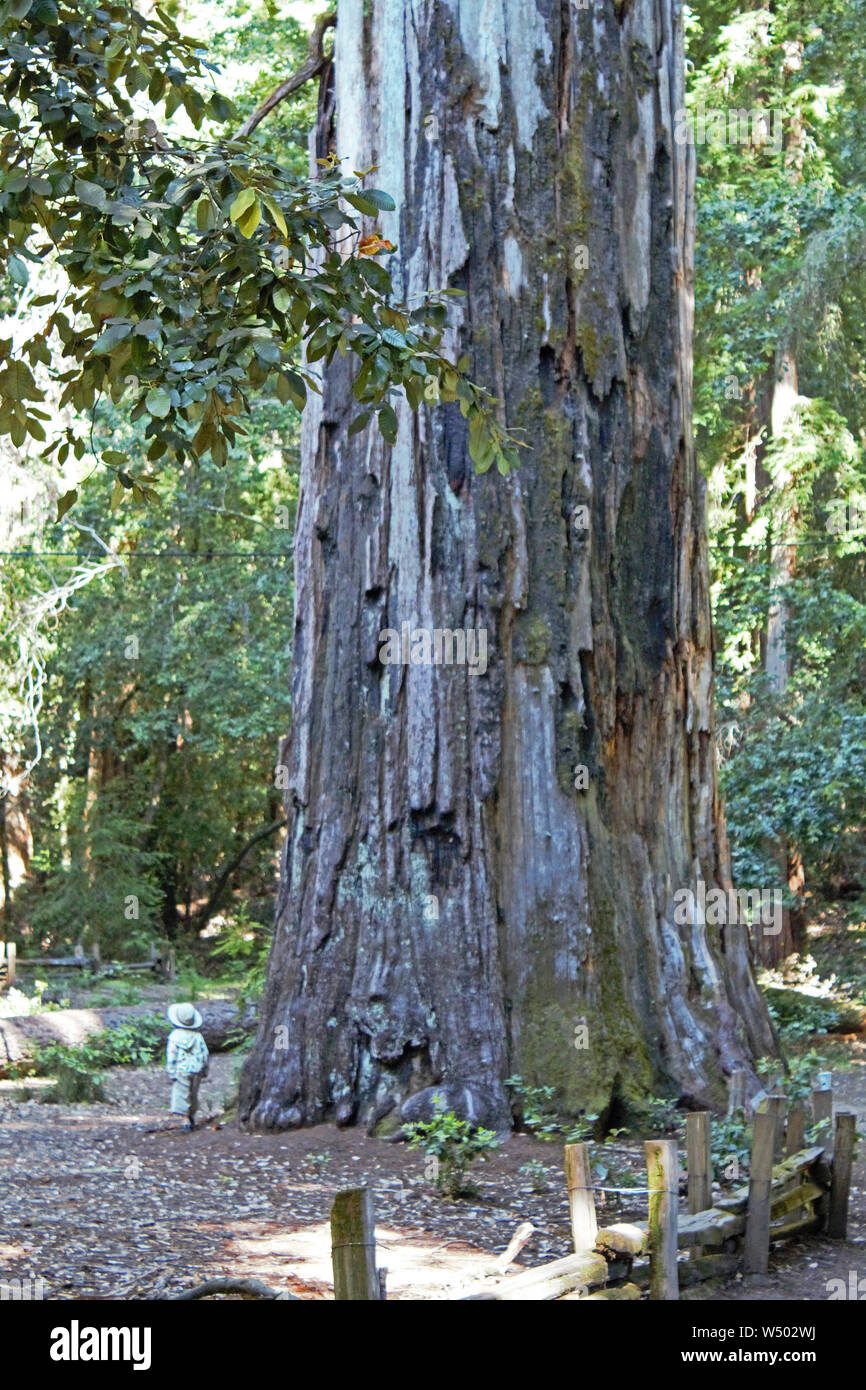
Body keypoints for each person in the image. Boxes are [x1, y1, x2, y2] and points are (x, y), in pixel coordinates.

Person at [165, 1002, 209, 1130]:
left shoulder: (174, 1037)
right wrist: (205, 1069)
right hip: (197, 1069)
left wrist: (171, 1071)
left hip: (181, 1070)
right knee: (193, 1093)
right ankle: (191, 1115)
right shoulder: (198, 1036)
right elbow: (205, 1054)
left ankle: (185, 1120)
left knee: (181, 1093)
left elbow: (171, 1055)